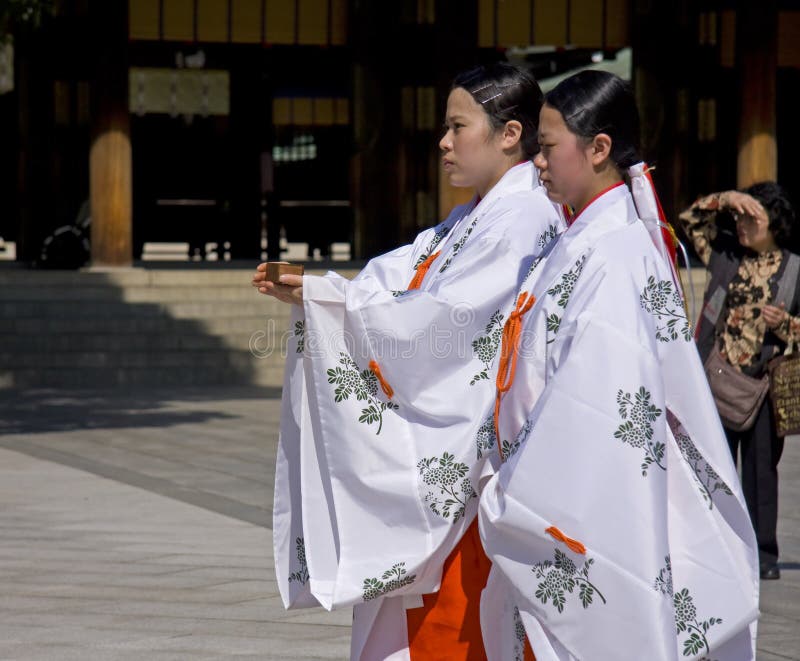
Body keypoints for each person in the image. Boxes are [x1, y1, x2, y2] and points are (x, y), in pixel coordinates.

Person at [253, 61, 565, 659]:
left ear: (509, 134)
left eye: (457, 126)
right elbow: (400, 275)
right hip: (463, 451)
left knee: (456, 629)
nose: (444, 142)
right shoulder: (473, 217)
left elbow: (441, 320)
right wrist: (323, 289)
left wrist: (331, 298)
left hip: (478, 462)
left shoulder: (525, 216)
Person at [477, 70, 760, 659]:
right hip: (548, 474)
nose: (538, 164)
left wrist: (517, 492)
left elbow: (599, 403)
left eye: (549, 147)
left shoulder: (615, 252)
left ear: (598, 148)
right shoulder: (586, 240)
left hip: (583, 493)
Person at [678, 181, 799, 581]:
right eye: (740, 216)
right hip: (717, 379)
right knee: (715, 466)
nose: (743, 224)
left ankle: (763, 553)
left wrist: (787, 325)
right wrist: (727, 199)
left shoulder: (793, 269)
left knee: (762, 471)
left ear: (775, 224)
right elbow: (689, 221)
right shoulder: (726, 254)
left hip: (763, 385)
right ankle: (715, 543)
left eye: (754, 218)